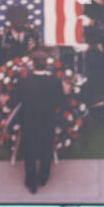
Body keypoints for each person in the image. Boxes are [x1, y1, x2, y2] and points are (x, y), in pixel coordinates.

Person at [15, 52, 66, 194]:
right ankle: (44, 177)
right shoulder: (55, 81)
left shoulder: (24, 82)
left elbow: (15, 100)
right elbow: (61, 103)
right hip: (48, 121)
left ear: (32, 64)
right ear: (46, 65)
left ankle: (31, 181)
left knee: (29, 151)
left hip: (29, 122)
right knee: (46, 149)